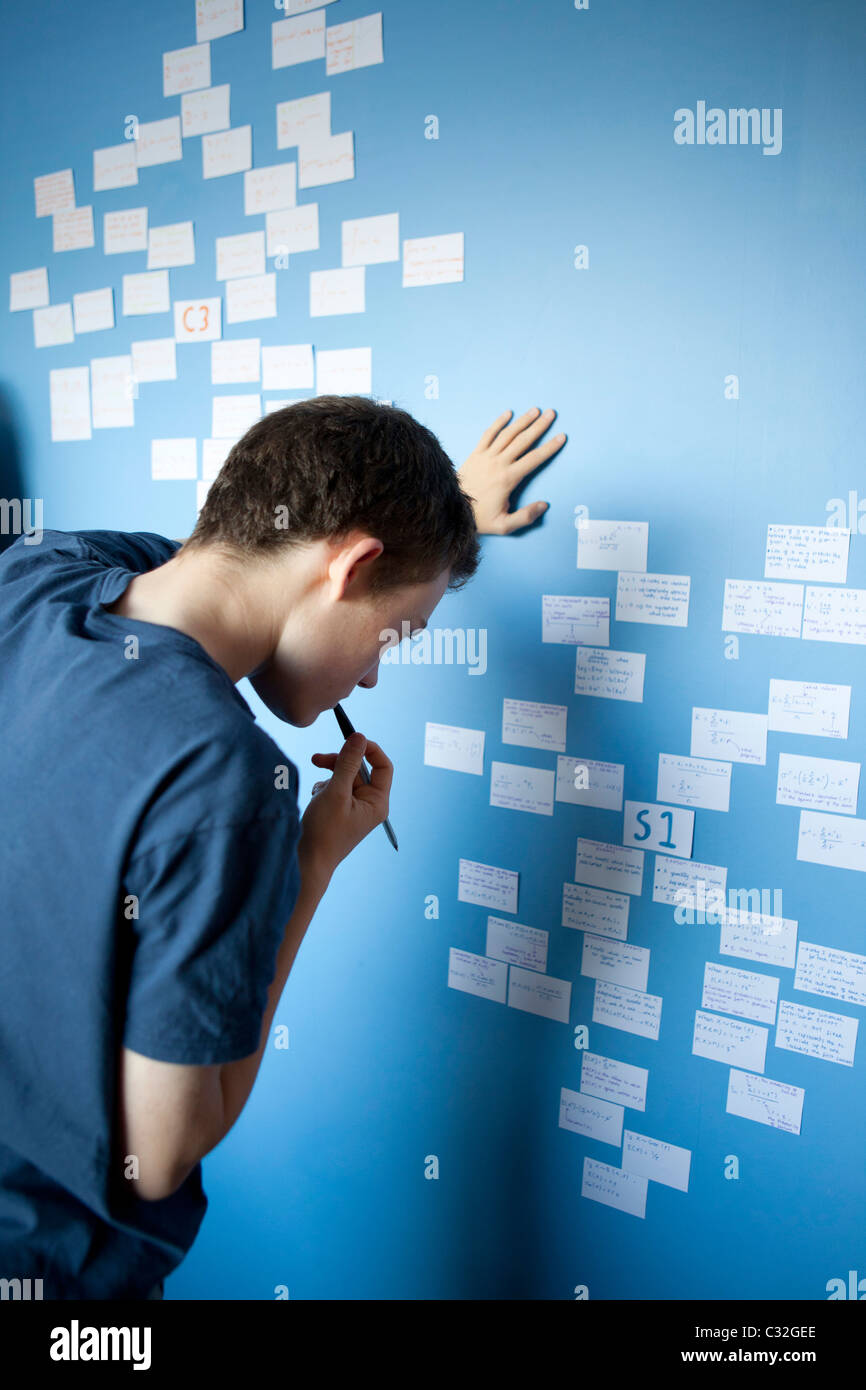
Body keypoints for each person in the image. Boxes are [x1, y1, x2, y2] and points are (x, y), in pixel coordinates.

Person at [0, 396, 564, 1300]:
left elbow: (235, 557)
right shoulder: (226, 781)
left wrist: (434, 509)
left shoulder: (40, 573)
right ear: (352, 564)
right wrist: (310, 864)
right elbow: (159, 1155)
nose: (374, 672)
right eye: (395, 634)